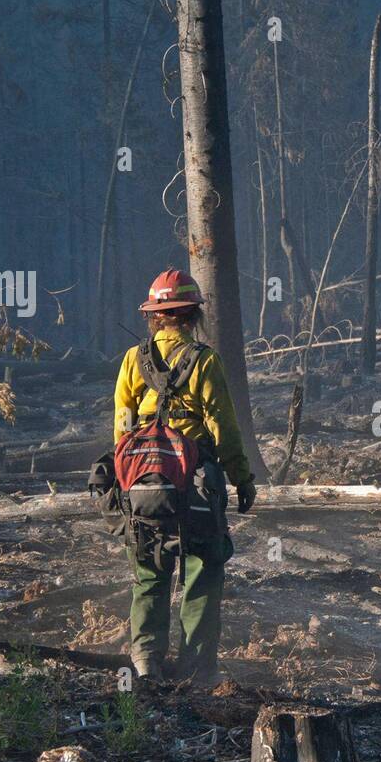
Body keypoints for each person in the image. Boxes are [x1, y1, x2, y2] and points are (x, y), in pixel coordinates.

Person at [113, 269, 257, 685]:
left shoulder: (131, 360)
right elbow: (223, 427)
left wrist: (129, 484)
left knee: (148, 571)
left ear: (155, 316)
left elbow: (122, 428)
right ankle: (197, 670)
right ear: (192, 315)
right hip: (195, 486)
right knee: (202, 569)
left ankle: (145, 661)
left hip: (142, 488)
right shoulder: (204, 360)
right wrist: (241, 477)